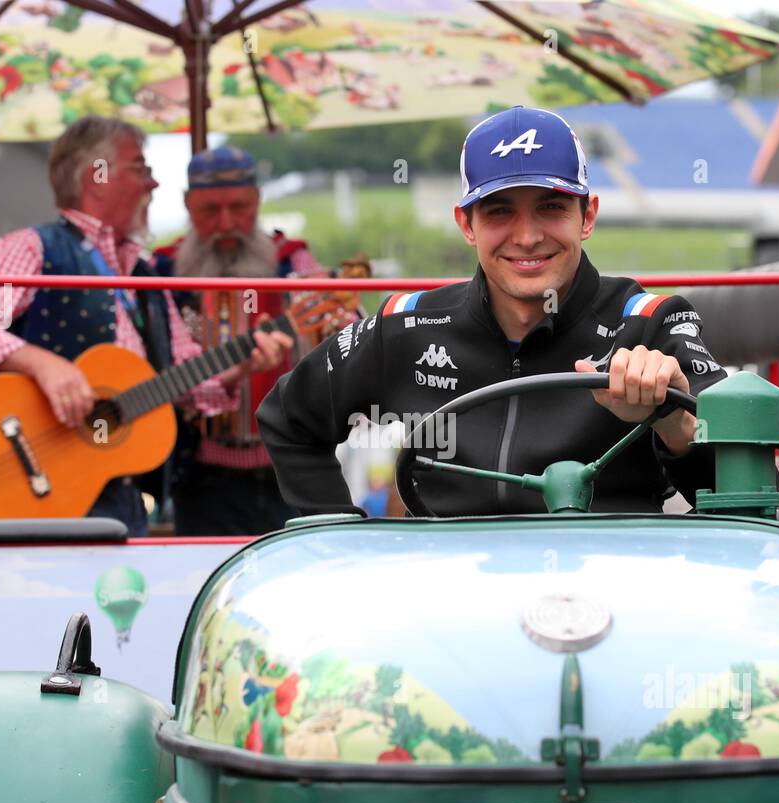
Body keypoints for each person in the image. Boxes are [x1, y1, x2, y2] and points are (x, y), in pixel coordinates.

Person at [258, 106, 729, 517]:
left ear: (587, 216)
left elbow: (740, 488)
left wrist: (675, 423)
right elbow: (287, 418)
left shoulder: (651, 320)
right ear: (466, 224)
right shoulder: (405, 323)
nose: (526, 237)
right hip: (455, 593)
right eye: (500, 212)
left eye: (551, 207)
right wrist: (342, 538)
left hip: (605, 592)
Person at [0, 118, 291, 536]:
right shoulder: (33, 247)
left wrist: (243, 364)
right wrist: (41, 364)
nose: (152, 184)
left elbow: (185, 378)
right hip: (43, 489)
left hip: (118, 491)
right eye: (139, 168)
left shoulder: (145, 277)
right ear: (96, 178)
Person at [151, 147, 334, 535]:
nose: (226, 223)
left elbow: (343, 323)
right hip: (200, 477)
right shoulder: (162, 270)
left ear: (258, 200)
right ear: (186, 205)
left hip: (290, 471)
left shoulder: (293, 261)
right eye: (209, 211)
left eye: (240, 207)